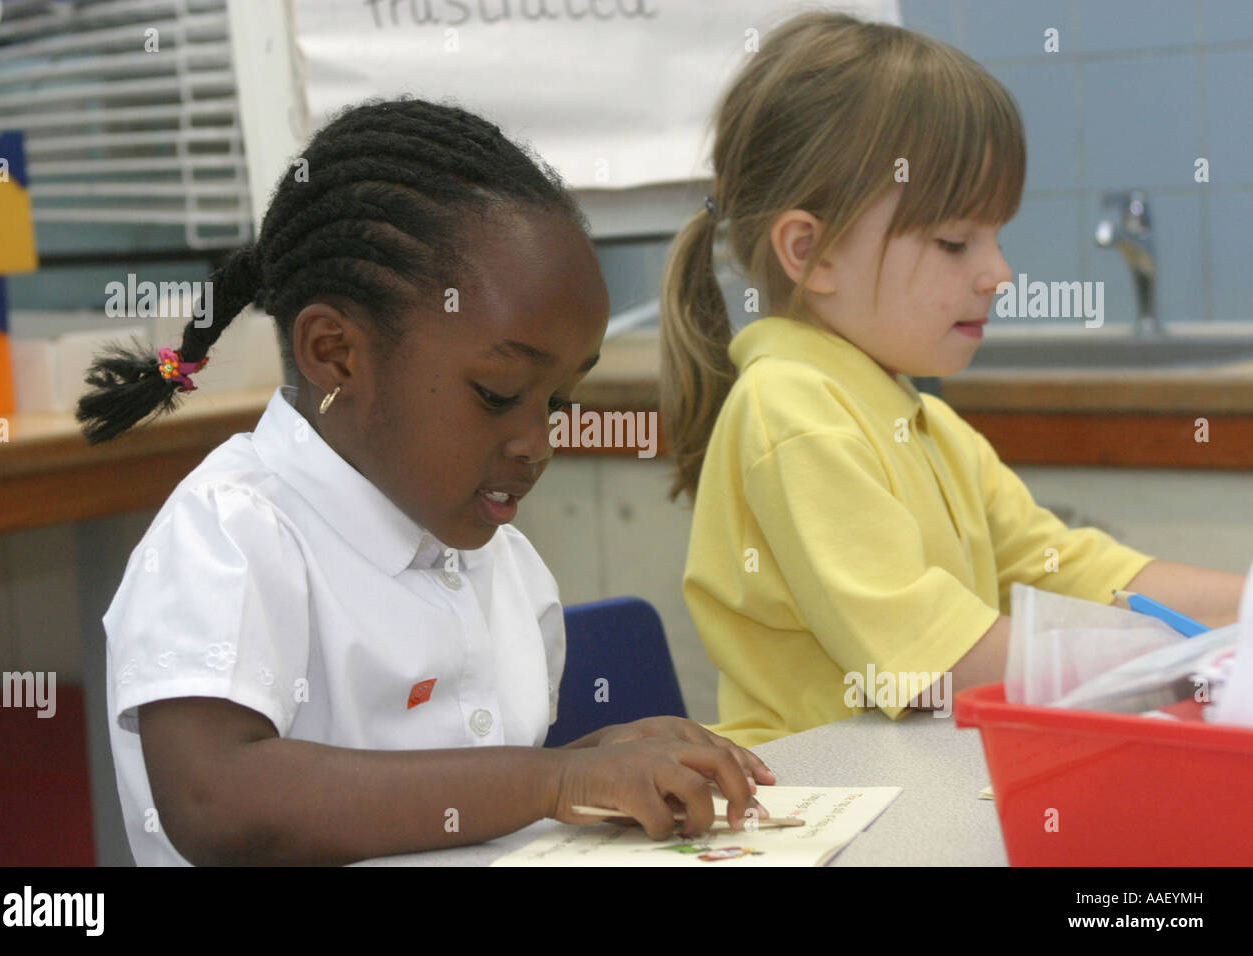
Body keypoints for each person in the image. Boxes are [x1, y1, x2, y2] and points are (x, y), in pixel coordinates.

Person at [80, 96, 774, 865]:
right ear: (336, 354)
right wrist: (553, 778)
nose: (539, 442)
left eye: (561, 401)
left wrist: (599, 762)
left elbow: (450, 808)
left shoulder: (495, 557)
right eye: (498, 394)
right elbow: (220, 799)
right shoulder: (231, 533)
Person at [659, 11, 1247, 747]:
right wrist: (1179, 666)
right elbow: (939, 660)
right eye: (954, 242)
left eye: (996, 237)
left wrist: (1244, 610)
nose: (998, 273)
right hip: (813, 807)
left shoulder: (924, 423)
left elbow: (1076, 571)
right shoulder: (793, 410)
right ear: (813, 252)